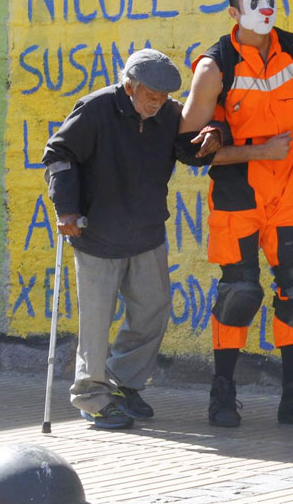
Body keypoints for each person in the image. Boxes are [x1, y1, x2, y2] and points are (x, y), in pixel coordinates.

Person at [179, 0, 293, 427]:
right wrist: (258, 150)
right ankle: (223, 393)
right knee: (240, 291)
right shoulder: (215, 68)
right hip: (238, 191)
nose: (266, 7)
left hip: (290, 186)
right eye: (255, 2)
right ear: (235, 12)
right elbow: (186, 149)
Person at [42, 48, 222, 429]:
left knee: (152, 311)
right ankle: (91, 397)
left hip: (146, 233)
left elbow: (186, 152)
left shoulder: (170, 115)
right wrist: (66, 208)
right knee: (96, 322)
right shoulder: (95, 109)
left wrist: (213, 138)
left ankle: (123, 384)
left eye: (164, 97)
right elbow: (58, 155)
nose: (158, 104)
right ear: (129, 87)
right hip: (98, 235)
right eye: (151, 96)